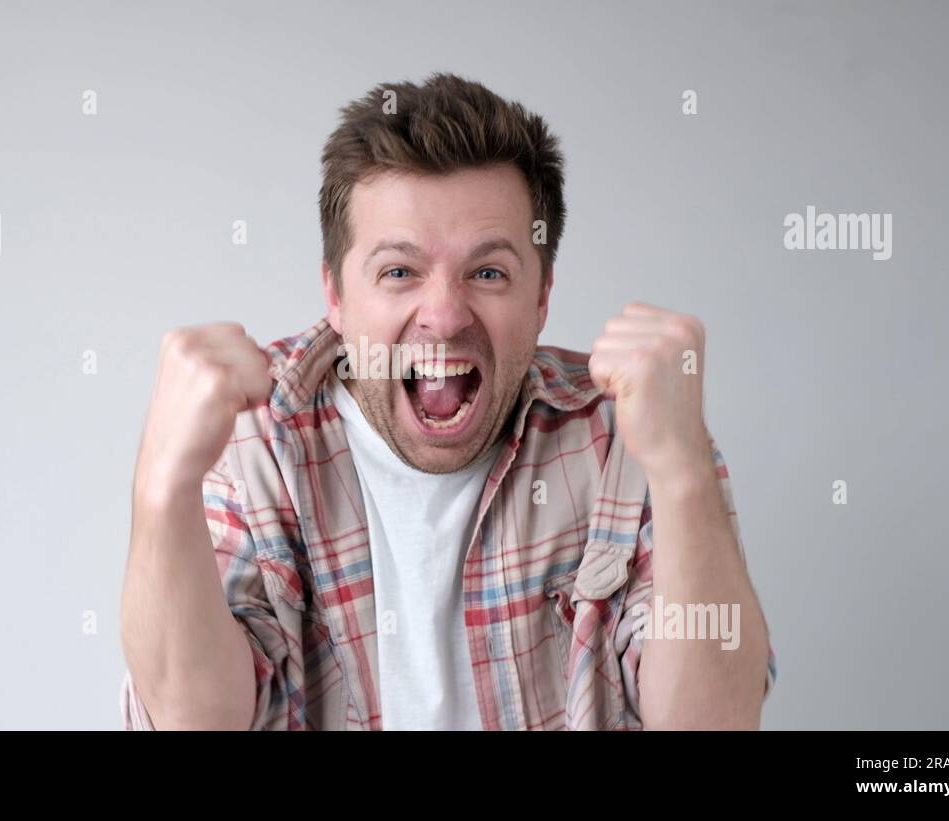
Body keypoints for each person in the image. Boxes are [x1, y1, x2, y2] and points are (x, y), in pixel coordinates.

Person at [120, 73, 774, 730]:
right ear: (336, 296)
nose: (444, 314)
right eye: (399, 271)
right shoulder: (249, 438)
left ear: (542, 295)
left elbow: (711, 721)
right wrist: (160, 486)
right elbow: (197, 720)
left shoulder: (629, 436)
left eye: (488, 272)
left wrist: (683, 470)